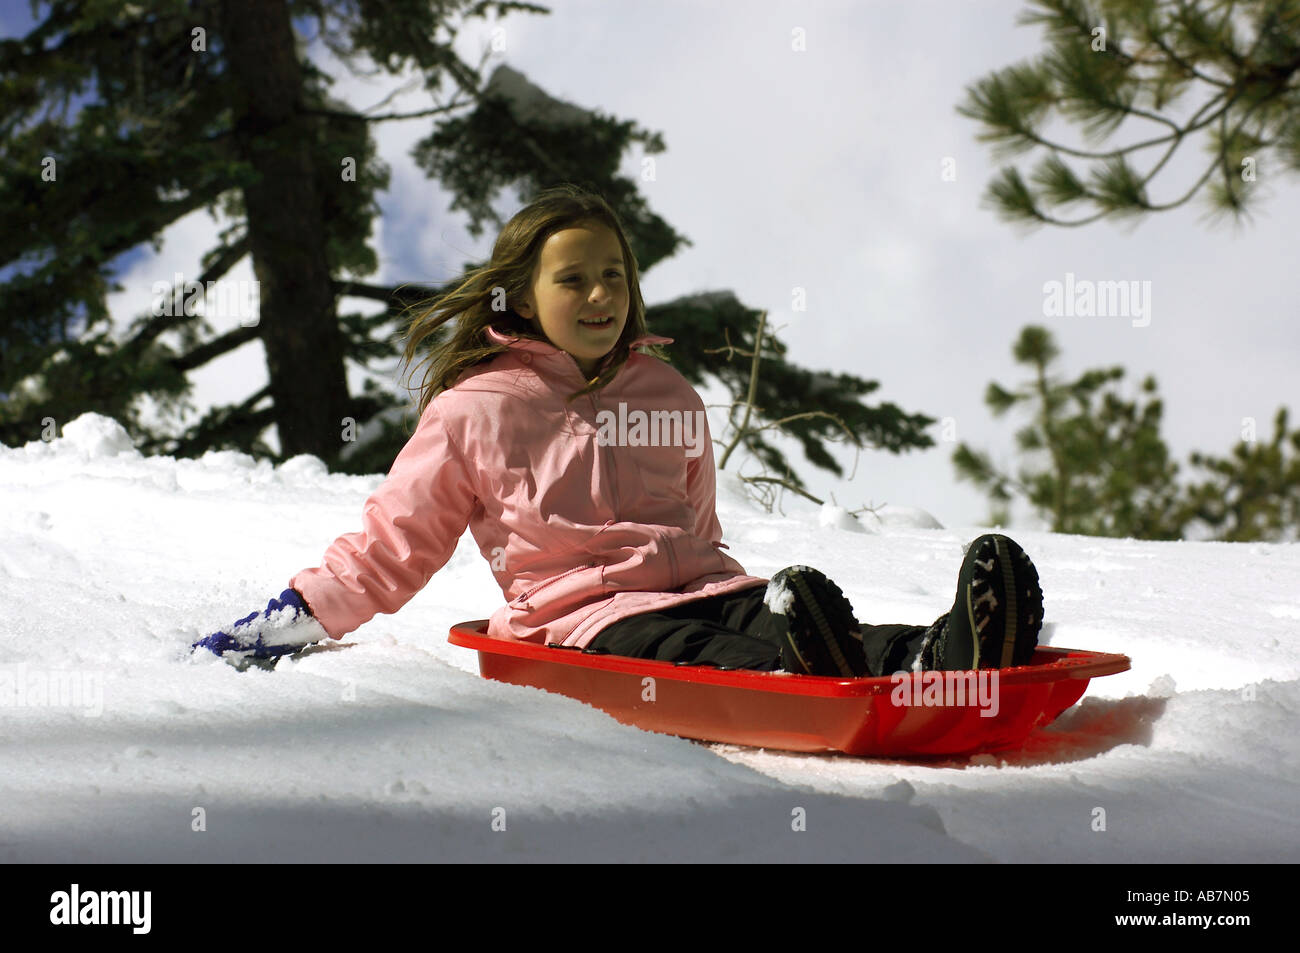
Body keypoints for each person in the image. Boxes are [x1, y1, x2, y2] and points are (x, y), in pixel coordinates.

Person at [193, 184, 1045, 677]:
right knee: (690, 645)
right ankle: (795, 669)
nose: (602, 296)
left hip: (705, 585)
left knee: (763, 612)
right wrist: (299, 617)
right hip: (585, 621)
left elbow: (698, 526)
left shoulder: (666, 390)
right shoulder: (475, 410)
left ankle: (937, 655)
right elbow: (395, 542)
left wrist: (724, 580)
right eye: (575, 280)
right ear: (523, 296)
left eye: (614, 276)